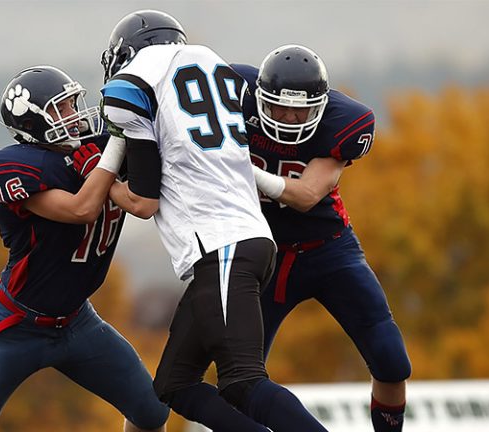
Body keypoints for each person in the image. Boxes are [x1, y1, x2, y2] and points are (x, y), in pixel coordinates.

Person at [99, 10, 327, 432]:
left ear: (129, 53)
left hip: (223, 245)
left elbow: (145, 202)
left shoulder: (137, 78)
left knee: (242, 382)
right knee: (175, 384)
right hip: (240, 243)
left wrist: (102, 178)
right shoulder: (209, 61)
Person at [0, 65, 169, 432]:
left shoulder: (93, 148)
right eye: (61, 109)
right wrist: (111, 153)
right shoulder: (14, 166)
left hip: (77, 321)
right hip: (14, 326)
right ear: (32, 123)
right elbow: (82, 209)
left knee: (152, 412)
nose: (74, 116)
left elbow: (142, 203)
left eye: (72, 104)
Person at [232, 44, 412, 431]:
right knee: (239, 380)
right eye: (279, 107)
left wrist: (236, 168)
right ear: (259, 97)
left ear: (322, 105)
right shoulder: (233, 90)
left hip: (328, 251)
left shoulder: (344, 123)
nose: (288, 117)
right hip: (262, 255)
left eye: (301, 109)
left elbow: (304, 195)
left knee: (391, 360)